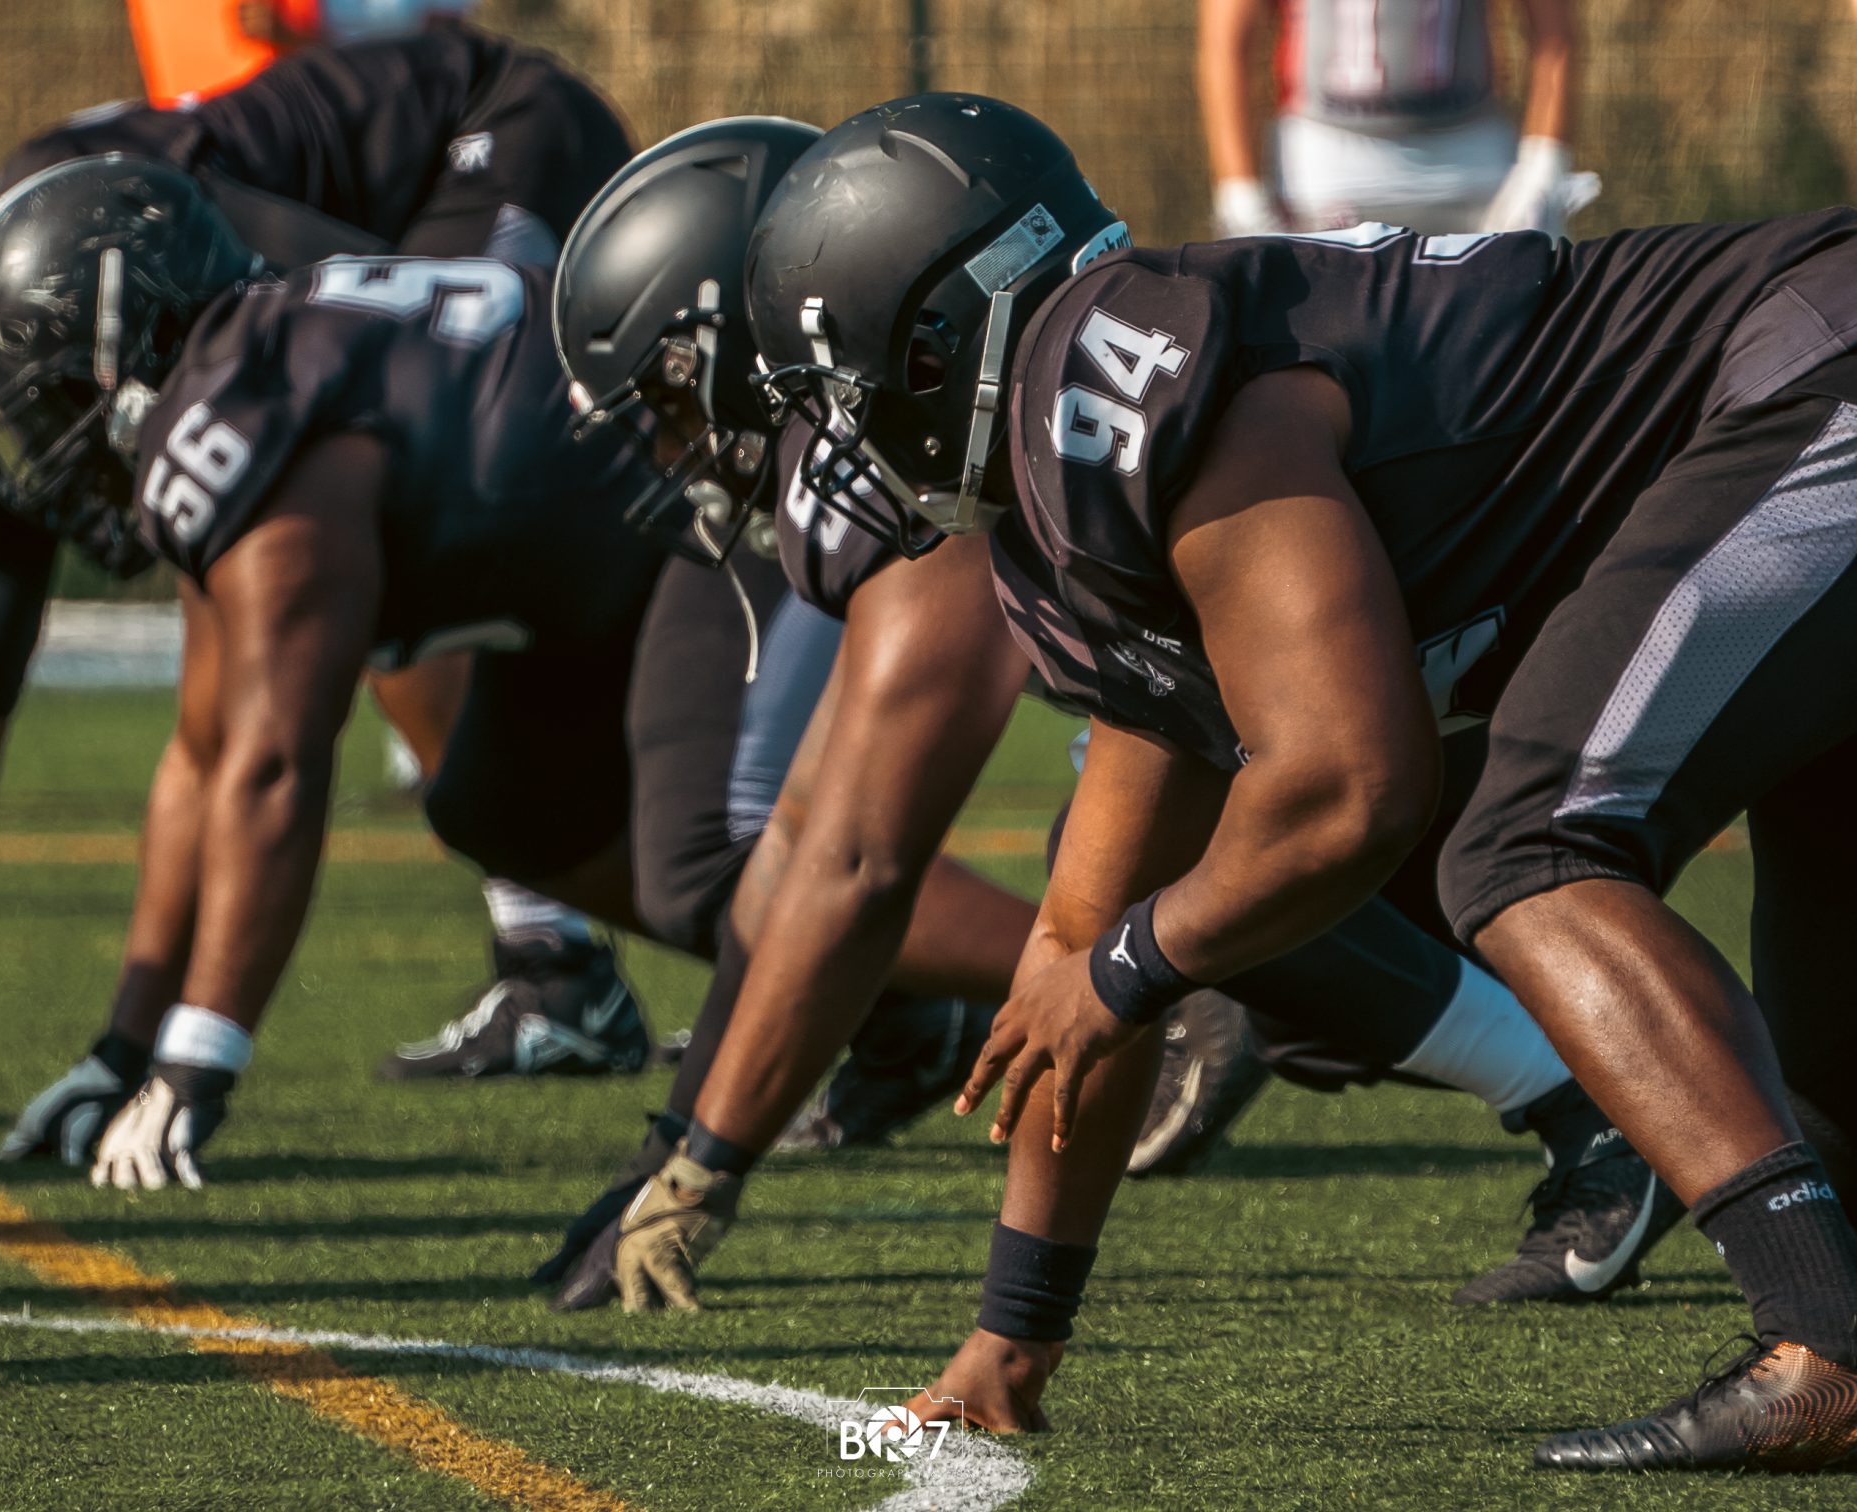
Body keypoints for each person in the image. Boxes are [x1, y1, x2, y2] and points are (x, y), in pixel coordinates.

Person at [745, 92, 1857, 1471]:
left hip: (1819, 375)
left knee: (1531, 849)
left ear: (933, 341)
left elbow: (1348, 791)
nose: (849, 439)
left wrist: (1135, 967)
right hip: (1810, 382)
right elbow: (1072, 948)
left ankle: (1826, 1356)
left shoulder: (1098, 386)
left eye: (846, 388)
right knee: (1821, 972)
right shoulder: (1079, 505)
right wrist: (1014, 1335)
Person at [534, 116, 1673, 1318]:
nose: (670, 446)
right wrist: (686, 1136)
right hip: (1375, 662)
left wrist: (706, 1161)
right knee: (1216, 923)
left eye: (668, 394)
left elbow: (862, 860)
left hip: (1449, 633)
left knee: (1182, 875)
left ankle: (1593, 1100)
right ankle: (1587, 1093)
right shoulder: (874, 457)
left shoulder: (919, 438)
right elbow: (810, 851)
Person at [0, 24, 645, 1091]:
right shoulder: (23, 367)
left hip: (491, 129)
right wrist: (127, 1048)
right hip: (346, 263)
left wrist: (188, 1052)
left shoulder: (88, 248)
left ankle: (557, 961)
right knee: (263, 615)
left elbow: (367, 325)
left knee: (372, 530)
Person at [1200, 0, 1597, 237]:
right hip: (1327, 165)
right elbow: (1227, 44)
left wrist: (1545, 162)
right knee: (1327, 348)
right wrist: (1240, 188)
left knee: (1502, 346)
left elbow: (1554, 34)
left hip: (1473, 161)